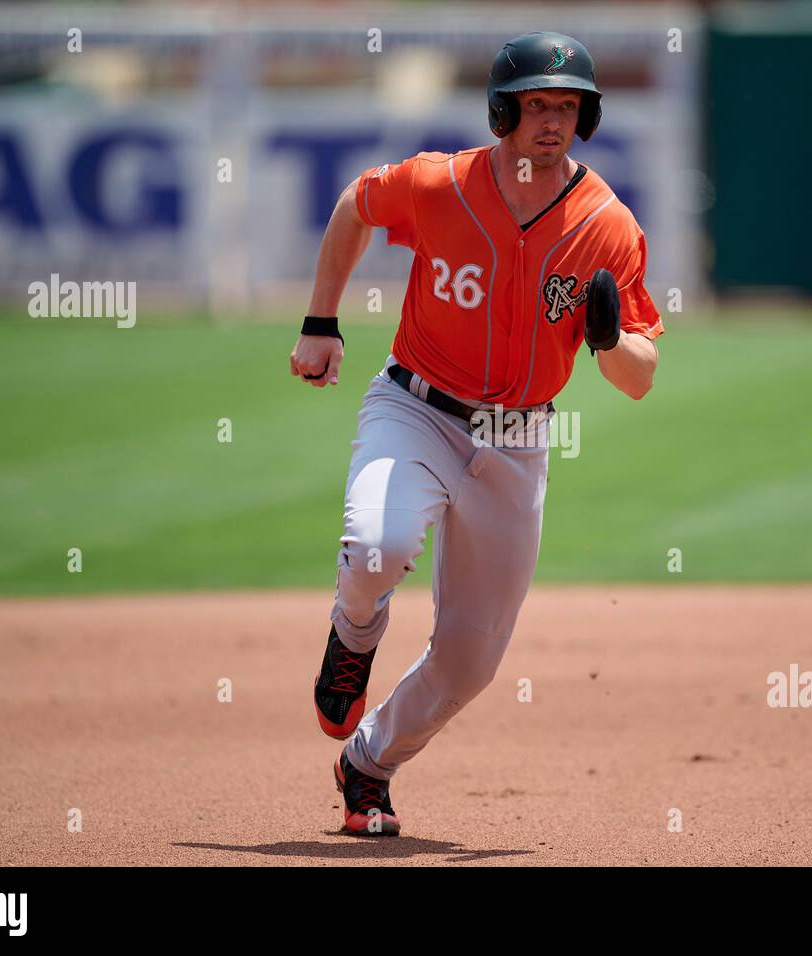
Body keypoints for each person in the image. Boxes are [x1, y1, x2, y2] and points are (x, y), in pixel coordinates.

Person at [289, 31, 664, 835]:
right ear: (502, 111)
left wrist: (609, 340)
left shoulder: (608, 226)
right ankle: (354, 635)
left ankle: (369, 763)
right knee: (374, 547)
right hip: (416, 408)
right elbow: (359, 202)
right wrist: (321, 320)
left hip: (518, 444)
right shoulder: (442, 184)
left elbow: (639, 375)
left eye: (567, 106)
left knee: (471, 662)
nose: (552, 121)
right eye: (536, 104)